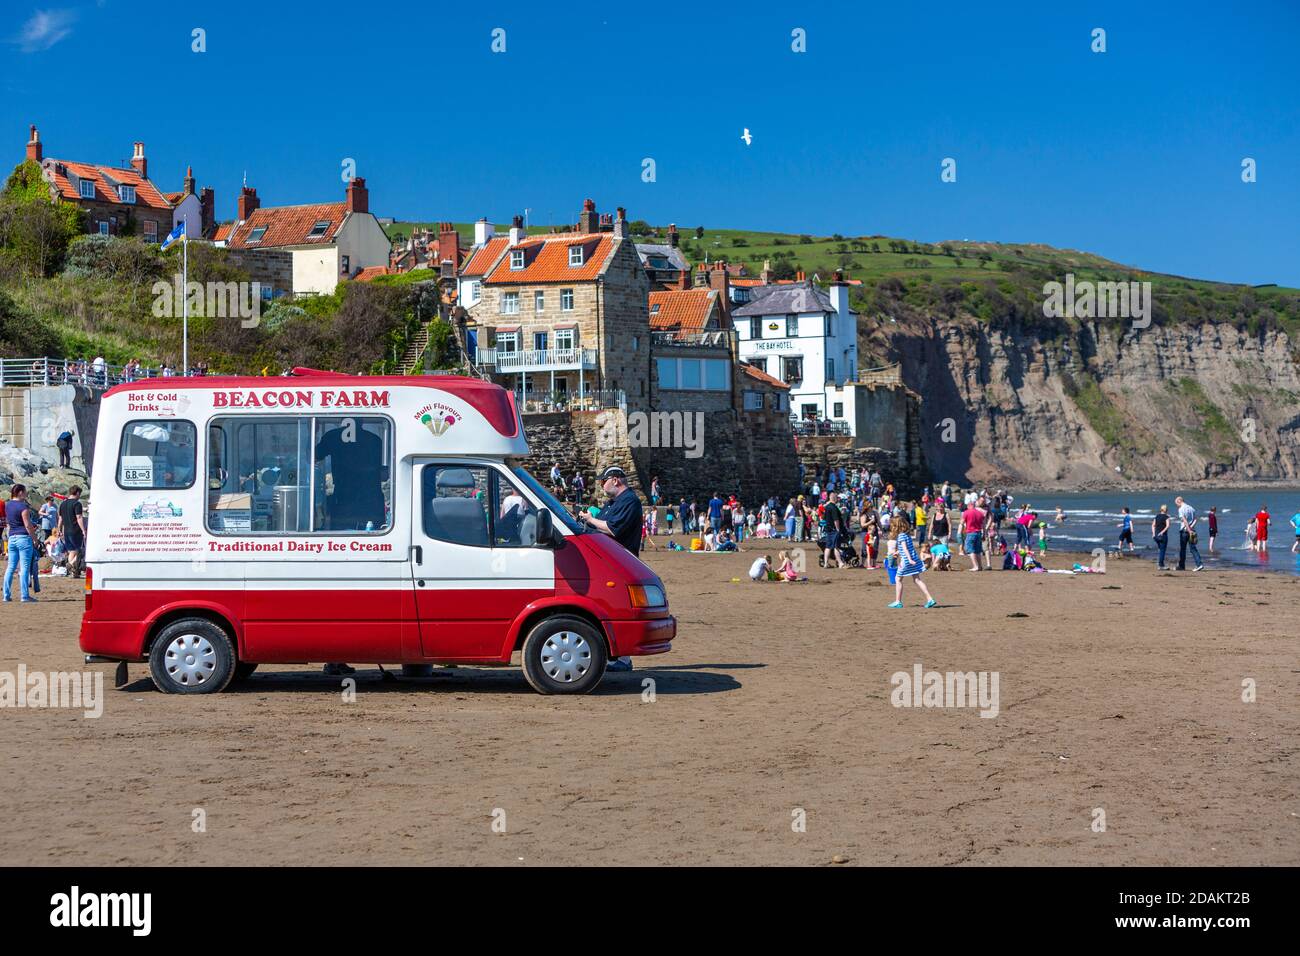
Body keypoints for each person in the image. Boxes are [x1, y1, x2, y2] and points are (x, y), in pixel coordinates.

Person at [578, 466, 643, 672]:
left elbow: (613, 528)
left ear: (615, 480)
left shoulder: (629, 501)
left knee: (619, 608)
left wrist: (590, 520)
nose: (601, 486)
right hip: (608, 560)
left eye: (603, 481)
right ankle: (614, 656)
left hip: (620, 561)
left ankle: (623, 659)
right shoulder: (614, 502)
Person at [888, 515, 937, 609]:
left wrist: (909, 559)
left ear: (896, 526)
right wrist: (898, 552)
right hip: (914, 559)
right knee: (917, 579)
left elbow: (905, 549)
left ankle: (898, 601)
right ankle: (930, 599)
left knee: (898, 579)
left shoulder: (901, 536)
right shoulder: (906, 535)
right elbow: (907, 548)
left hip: (907, 561)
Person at [4, 484, 40, 602]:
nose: (26, 494)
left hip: (12, 537)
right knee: (24, 567)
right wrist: (35, 539)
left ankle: (6, 595)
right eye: (25, 492)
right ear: (20, 492)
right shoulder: (23, 506)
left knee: (11, 567)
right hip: (23, 538)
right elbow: (28, 525)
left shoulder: (8, 505)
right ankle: (24, 595)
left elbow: (9, 522)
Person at [56, 485, 87, 578]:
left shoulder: (62, 504)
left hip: (66, 531)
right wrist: (83, 530)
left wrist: (59, 529)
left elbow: (60, 519)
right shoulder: (77, 504)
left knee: (72, 551)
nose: (79, 496)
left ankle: (74, 572)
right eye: (79, 494)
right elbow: (79, 517)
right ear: (77, 493)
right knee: (81, 551)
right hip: (76, 530)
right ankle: (70, 564)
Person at [1173, 496, 1204, 571]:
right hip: (1192, 530)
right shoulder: (1191, 508)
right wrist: (1191, 528)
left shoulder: (1181, 509)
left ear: (1179, 501)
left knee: (1183, 549)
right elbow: (1196, 519)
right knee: (1193, 548)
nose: (1176, 505)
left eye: (1176, 504)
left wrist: (1188, 530)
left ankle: (1181, 566)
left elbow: (1184, 521)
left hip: (1185, 531)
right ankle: (1199, 564)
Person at [822, 491, 847, 569]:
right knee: (836, 546)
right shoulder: (834, 507)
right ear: (835, 498)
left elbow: (824, 518)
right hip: (834, 529)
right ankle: (840, 563)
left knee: (828, 546)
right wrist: (838, 529)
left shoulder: (827, 507)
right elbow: (836, 520)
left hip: (828, 529)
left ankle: (826, 563)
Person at [961, 498, 986, 571]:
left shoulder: (966, 512)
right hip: (978, 533)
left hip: (971, 532)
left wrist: (962, 531)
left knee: (970, 550)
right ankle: (980, 566)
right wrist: (984, 534)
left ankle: (975, 566)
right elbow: (983, 525)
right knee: (977, 550)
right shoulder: (980, 513)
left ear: (969, 505)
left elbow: (961, 523)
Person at [1152, 504, 1171, 570]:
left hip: (1156, 536)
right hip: (1163, 536)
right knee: (1162, 550)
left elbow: (1153, 525)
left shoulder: (1157, 516)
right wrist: (1162, 532)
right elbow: (1168, 526)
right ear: (1166, 510)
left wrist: (1153, 534)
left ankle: (1160, 563)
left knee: (1160, 550)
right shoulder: (1166, 517)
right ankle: (1161, 565)